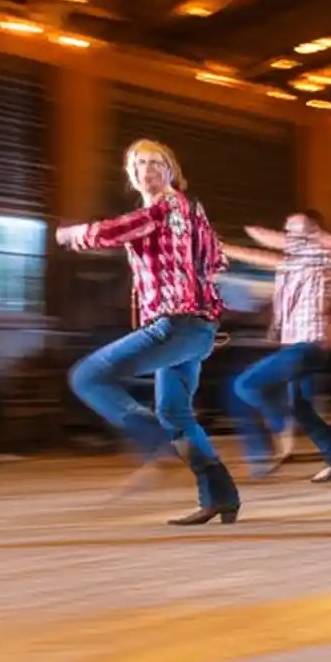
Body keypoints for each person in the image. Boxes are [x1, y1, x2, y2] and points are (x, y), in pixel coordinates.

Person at [56, 139, 240, 525]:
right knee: (175, 410)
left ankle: (153, 438)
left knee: (88, 376)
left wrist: (75, 235)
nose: (149, 168)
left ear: (171, 171)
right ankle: (220, 495)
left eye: (157, 162)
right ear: (130, 174)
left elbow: (118, 230)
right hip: (197, 328)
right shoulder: (191, 211)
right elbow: (216, 259)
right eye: (140, 163)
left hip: (176, 326)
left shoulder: (166, 206)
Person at [223, 210, 331, 482]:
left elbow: (268, 248)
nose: (288, 236)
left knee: (245, 385)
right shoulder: (293, 262)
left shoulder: (320, 256)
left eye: (294, 231)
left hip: (308, 345)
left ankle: (277, 432)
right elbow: (267, 255)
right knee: (301, 408)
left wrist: (233, 242)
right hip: (295, 345)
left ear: (313, 234)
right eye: (287, 230)